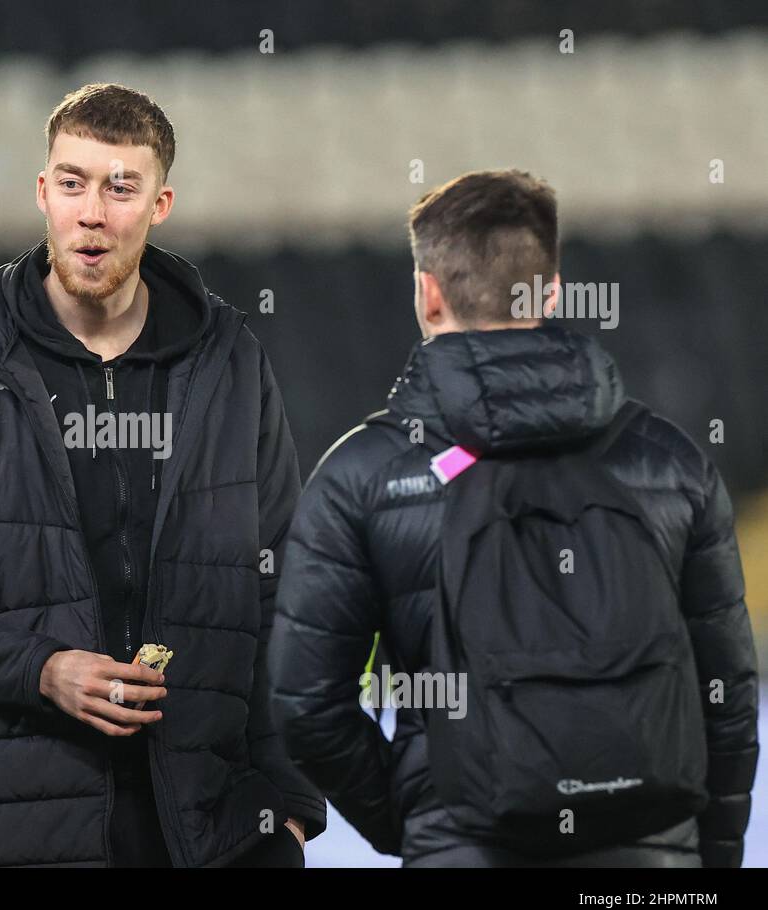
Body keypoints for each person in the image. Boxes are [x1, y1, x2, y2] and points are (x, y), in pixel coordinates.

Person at [0, 82, 325, 867]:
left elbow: (282, 592)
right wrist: (43, 670)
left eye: (122, 187)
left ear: (160, 204)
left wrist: (289, 809)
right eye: (75, 182)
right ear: (43, 192)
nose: (94, 212)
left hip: (220, 835)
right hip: (23, 837)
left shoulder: (231, 365)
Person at [269, 168, 759, 867]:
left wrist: (424, 820)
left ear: (428, 293)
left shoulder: (362, 474)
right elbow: (729, 698)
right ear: (551, 291)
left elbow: (304, 703)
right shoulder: (672, 461)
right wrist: (703, 859)